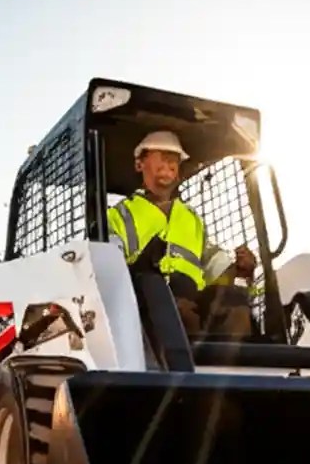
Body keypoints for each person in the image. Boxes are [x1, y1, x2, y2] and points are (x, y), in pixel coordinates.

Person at [106, 130, 258, 337]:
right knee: (177, 312)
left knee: (236, 306)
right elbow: (110, 269)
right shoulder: (118, 215)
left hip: (192, 299)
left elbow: (214, 266)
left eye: (174, 158)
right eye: (161, 153)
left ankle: (236, 362)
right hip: (143, 304)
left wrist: (239, 270)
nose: (168, 160)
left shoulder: (191, 218)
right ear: (139, 164)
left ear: (177, 171)